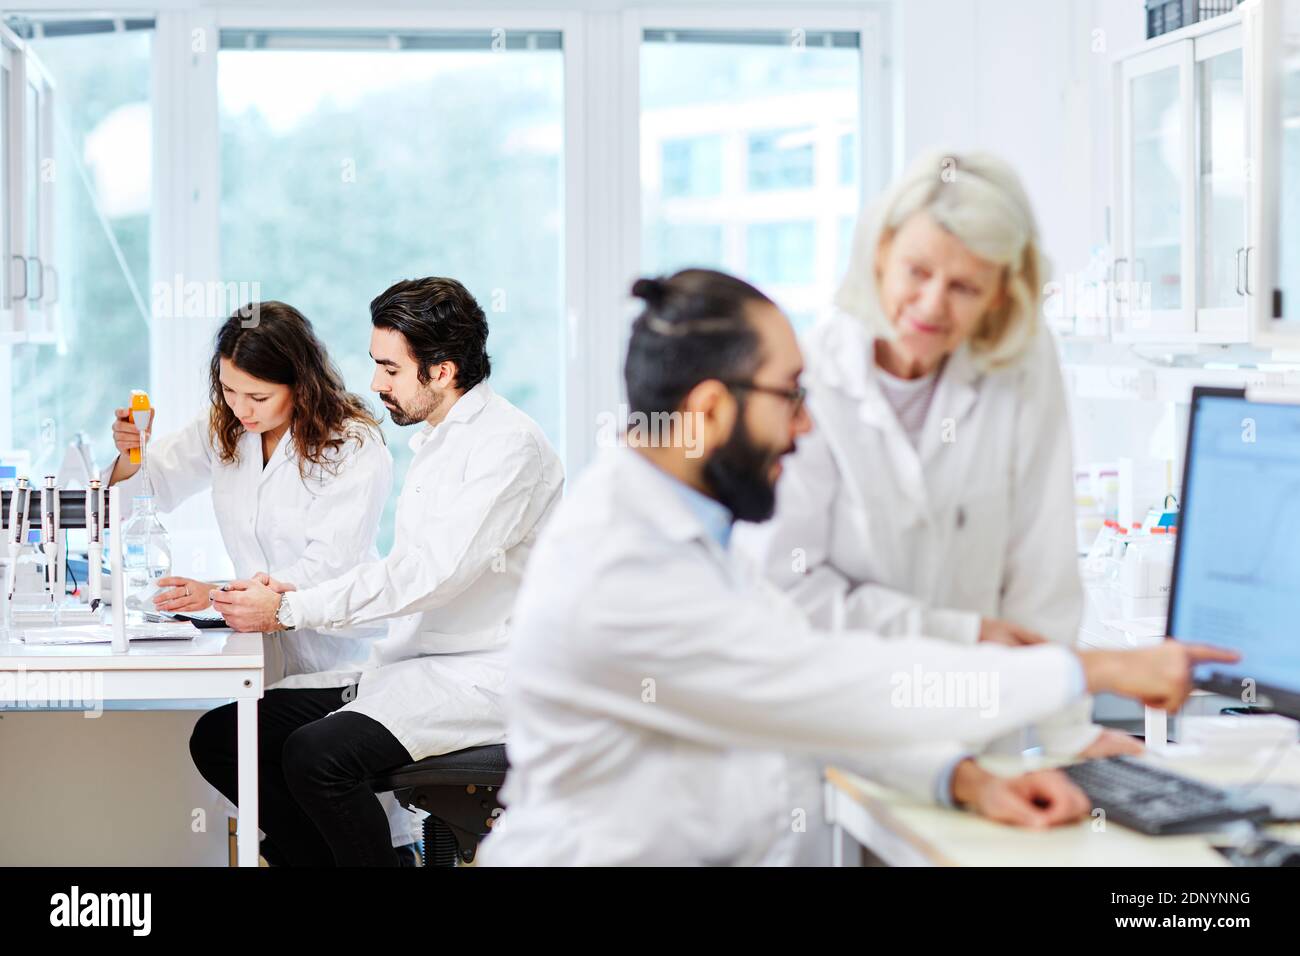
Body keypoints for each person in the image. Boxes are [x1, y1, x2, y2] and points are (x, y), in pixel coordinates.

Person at [479, 269, 1235, 866]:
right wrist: (1092, 670)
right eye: (791, 396)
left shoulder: (688, 525)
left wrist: (959, 777)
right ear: (709, 409)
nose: (806, 426)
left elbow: (800, 693)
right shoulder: (618, 569)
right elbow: (830, 687)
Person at [735, 150, 1136, 759]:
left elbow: (1043, 569)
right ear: (880, 254)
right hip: (842, 725)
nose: (931, 306)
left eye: (965, 287)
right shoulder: (812, 376)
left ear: (1002, 292)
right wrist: (959, 632)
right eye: (916, 272)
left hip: (976, 726)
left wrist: (1067, 734)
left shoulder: (1022, 367)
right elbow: (789, 588)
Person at [194, 277, 564, 866]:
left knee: (319, 756)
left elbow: (428, 575)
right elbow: (405, 570)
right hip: (420, 664)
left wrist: (289, 608)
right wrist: (290, 594)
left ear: (441, 371)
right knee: (225, 738)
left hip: (486, 674)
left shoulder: (508, 447)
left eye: (389, 369)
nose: (375, 383)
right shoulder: (440, 442)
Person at [107, 301, 392, 687]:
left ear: (301, 384)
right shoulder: (225, 426)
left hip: (339, 659)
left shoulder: (352, 445)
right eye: (228, 389)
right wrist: (131, 453)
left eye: (258, 397)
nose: (241, 408)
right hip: (260, 649)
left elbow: (328, 566)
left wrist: (218, 594)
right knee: (234, 736)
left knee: (235, 739)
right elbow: (145, 493)